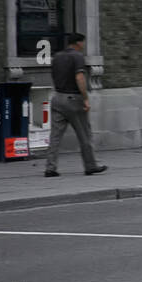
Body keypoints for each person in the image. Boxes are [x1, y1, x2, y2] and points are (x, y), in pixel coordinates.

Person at [45, 33, 106, 177]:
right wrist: (85, 98)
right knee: (84, 134)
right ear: (78, 43)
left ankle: (50, 168)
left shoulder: (57, 57)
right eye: (83, 43)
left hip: (57, 97)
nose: (83, 45)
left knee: (55, 136)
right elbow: (80, 77)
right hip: (73, 98)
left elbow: (54, 76)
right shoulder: (77, 56)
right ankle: (90, 166)